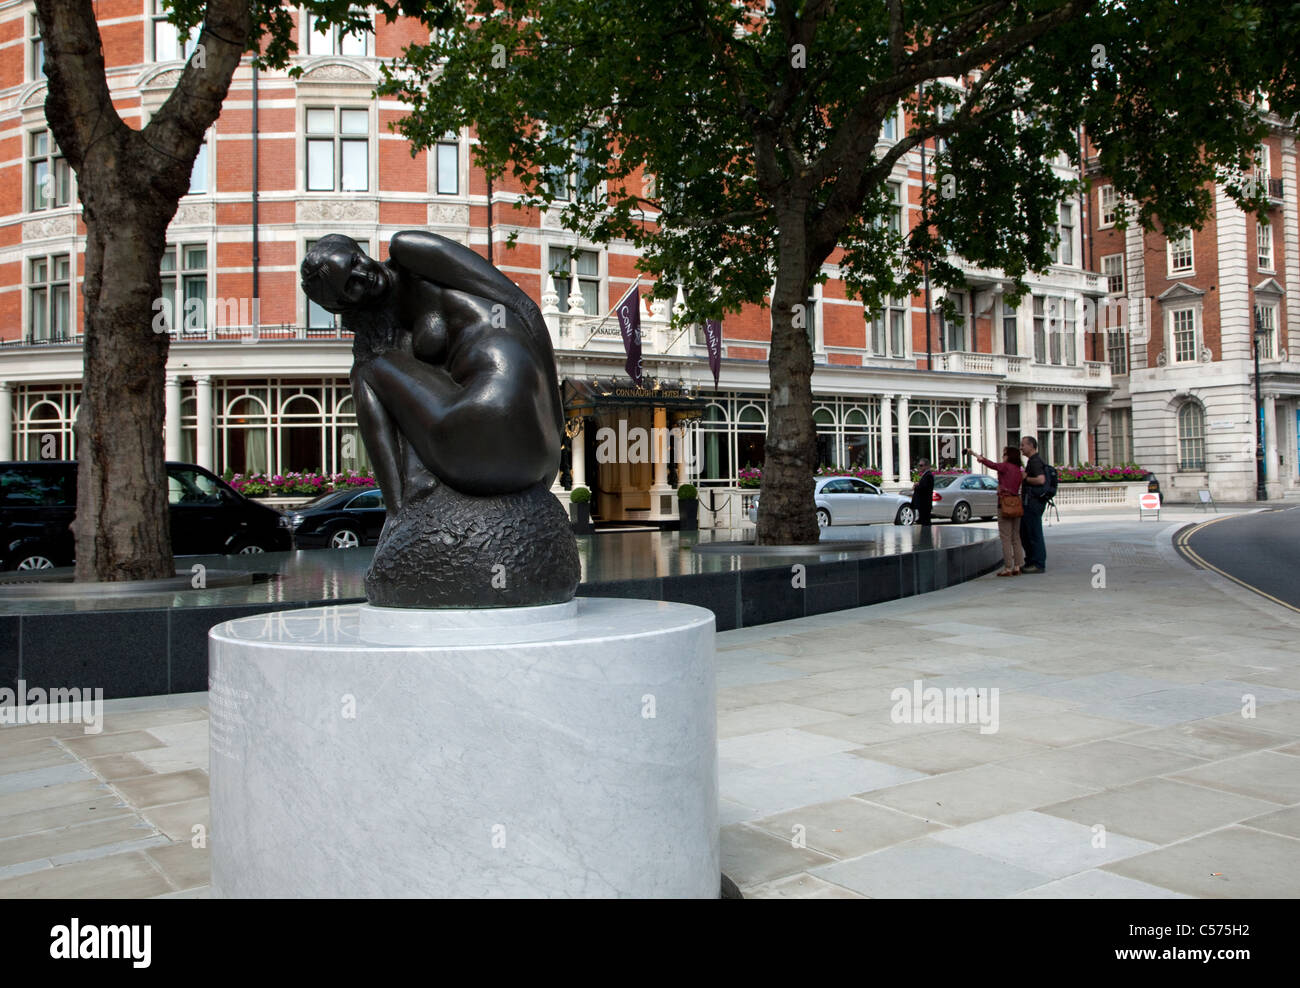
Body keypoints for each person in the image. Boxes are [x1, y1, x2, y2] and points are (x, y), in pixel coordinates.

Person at [968, 445, 1025, 576]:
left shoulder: (1005, 466)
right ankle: (1018, 565)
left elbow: (990, 464)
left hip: (1004, 503)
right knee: (1016, 536)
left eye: (1004, 454)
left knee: (1005, 537)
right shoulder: (1018, 469)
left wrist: (975, 455)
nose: (1003, 457)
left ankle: (1008, 567)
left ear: (1009, 456)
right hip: (1016, 503)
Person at [1019, 436, 1048, 573]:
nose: (1021, 448)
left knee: (1033, 533)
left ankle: (1038, 563)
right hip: (1030, 503)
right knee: (1025, 532)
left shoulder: (1036, 461)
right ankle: (1031, 561)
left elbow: (1041, 480)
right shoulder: (1033, 461)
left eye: (1023, 445)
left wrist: (1026, 478)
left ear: (1031, 446)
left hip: (1033, 503)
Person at [911, 458, 934, 526]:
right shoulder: (925, 475)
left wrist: (916, 486)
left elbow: (924, 488)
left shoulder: (928, 475)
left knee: (926, 523)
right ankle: (925, 536)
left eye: (921, 465)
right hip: (923, 504)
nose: (919, 467)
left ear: (926, 466)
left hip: (925, 503)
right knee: (924, 522)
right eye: (919, 465)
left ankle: (927, 536)